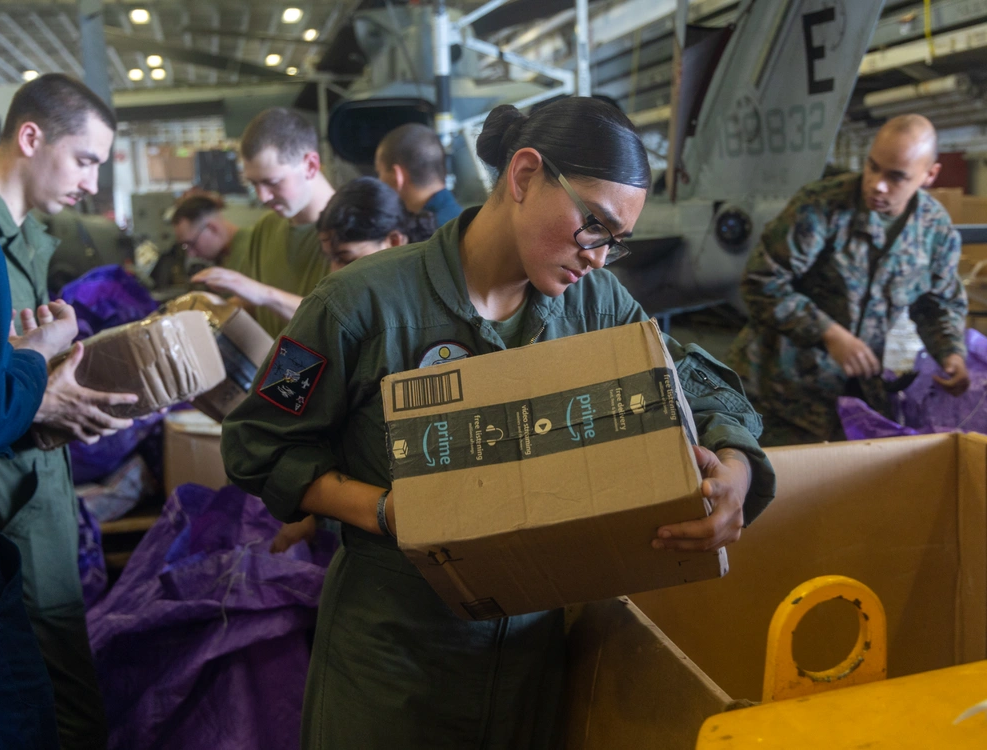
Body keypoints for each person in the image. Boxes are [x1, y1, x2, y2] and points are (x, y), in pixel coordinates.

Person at [222, 97, 776, 748]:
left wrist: (735, 466)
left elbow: (703, 387)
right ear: (524, 175)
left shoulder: (596, 306)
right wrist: (386, 510)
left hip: (530, 663)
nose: (599, 257)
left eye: (615, 240)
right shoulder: (356, 305)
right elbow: (257, 443)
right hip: (390, 663)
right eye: (593, 224)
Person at [0, 73, 139, 750]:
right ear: (30, 137)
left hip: (34, 490)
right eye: (84, 160)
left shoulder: (24, 238)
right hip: (4, 505)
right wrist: (41, 386)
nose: (91, 183)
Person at [728, 115, 969, 446]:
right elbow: (761, 282)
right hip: (779, 393)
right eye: (872, 167)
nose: (877, 184)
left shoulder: (935, 230)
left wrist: (950, 353)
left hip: (856, 398)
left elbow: (938, 304)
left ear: (930, 175)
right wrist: (827, 332)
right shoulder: (821, 206)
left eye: (896, 176)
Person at [269, 177, 437, 555]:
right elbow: (269, 432)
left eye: (345, 258)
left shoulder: (435, 308)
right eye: (330, 258)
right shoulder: (334, 313)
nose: (333, 272)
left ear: (394, 240)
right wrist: (302, 501)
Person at [192, 108, 335, 337]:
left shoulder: (357, 233)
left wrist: (263, 294)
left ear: (310, 165)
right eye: (254, 184)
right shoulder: (266, 228)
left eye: (273, 182)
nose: (262, 196)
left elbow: (341, 322)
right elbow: (256, 306)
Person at [375, 122, 463, 227]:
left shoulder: (426, 233)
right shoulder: (462, 218)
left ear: (396, 176)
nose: (379, 181)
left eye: (379, 172)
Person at [171, 192, 251, 272]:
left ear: (212, 228)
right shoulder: (227, 257)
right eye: (185, 246)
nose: (191, 254)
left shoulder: (250, 252)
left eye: (192, 244)